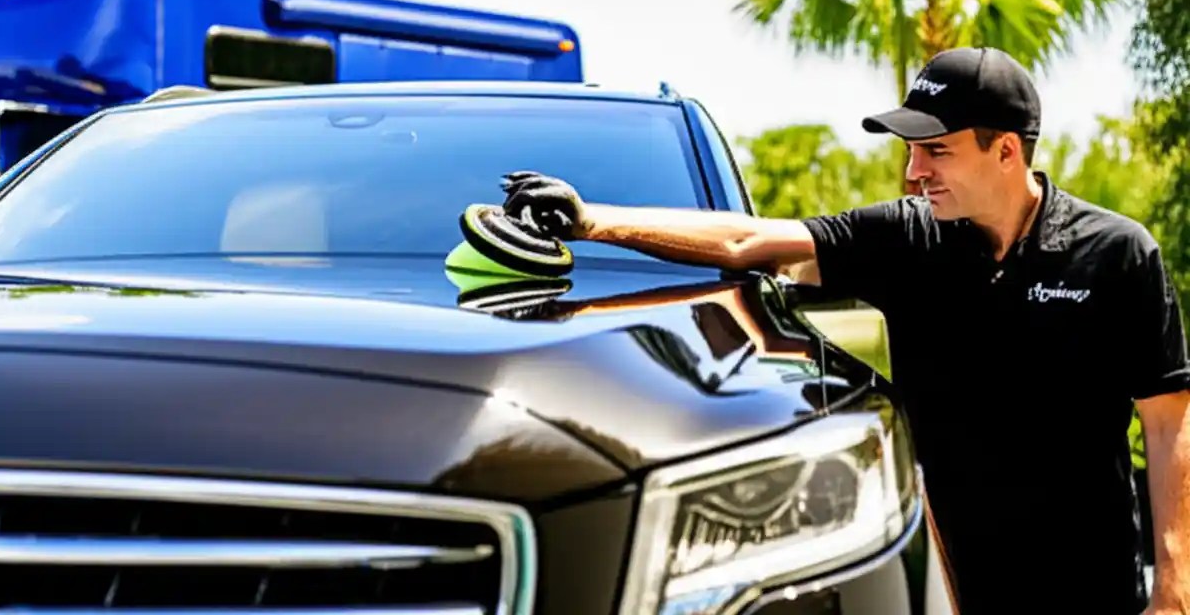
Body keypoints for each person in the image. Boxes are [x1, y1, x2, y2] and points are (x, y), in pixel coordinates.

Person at [500, 46, 1190, 615]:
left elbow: (1167, 424)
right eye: (912, 151)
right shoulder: (907, 241)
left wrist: (1173, 585)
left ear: (1005, 151)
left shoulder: (1118, 254)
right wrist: (594, 220)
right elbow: (749, 241)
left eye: (936, 151)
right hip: (953, 590)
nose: (914, 172)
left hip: (1094, 592)